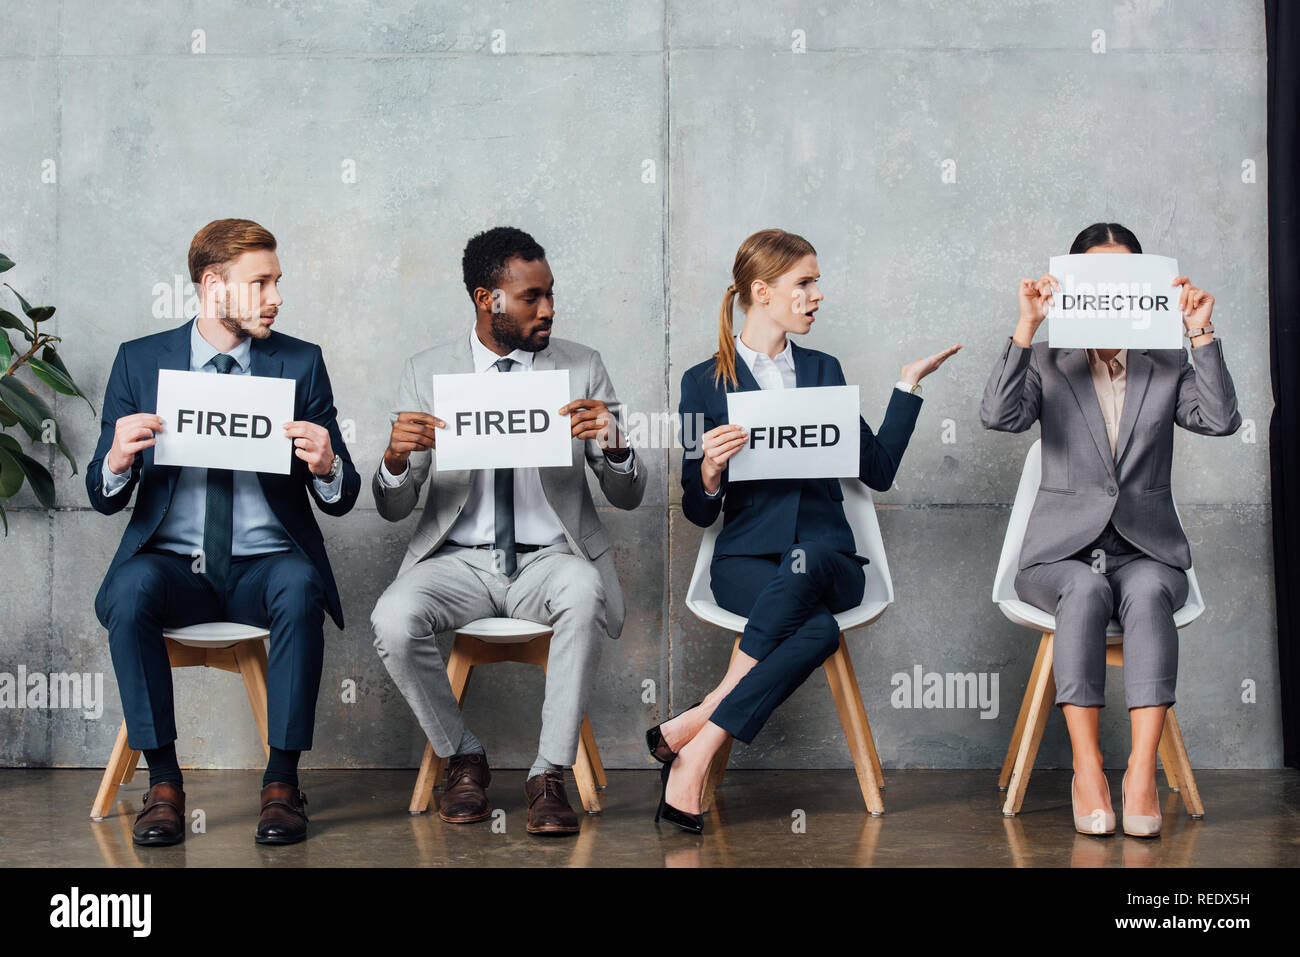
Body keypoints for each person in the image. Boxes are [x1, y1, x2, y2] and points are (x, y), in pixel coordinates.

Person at [650, 227, 959, 832]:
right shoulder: (700, 383)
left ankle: (698, 734)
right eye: (804, 283)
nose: (817, 295)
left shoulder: (823, 369)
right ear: (761, 292)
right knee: (816, 633)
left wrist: (906, 386)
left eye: (817, 282)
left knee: (811, 559)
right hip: (745, 562)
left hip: (830, 563)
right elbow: (697, 512)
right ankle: (692, 747)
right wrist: (710, 468)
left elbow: (879, 471)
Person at [87, 218, 360, 846]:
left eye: (277, 282)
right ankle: (162, 782)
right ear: (214, 286)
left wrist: (326, 464)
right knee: (129, 592)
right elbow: (101, 500)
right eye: (260, 282)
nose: (276, 297)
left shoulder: (300, 362)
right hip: (175, 566)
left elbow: (342, 499)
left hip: (264, 567)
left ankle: (283, 782)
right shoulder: (139, 361)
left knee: (299, 582)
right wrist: (115, 461)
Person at [370, 226, 646, 836]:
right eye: (531, 298)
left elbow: (629, 495)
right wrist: (393, 463)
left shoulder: (582, 366)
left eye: (550, 295)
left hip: (550, 557)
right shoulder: (427, 372)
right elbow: (396, 507)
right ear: (486, 299)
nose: (547, 308)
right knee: (392, 617)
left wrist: (617, 443)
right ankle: (462, 754)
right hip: (458, 561)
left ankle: (549, 774)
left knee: (583, 590)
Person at [980, 222, 1240, 837]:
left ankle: (1141, 774)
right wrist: (1027, 326)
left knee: (1147, 593)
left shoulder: (1167, 361)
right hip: (1058, 556)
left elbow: (1222, 420)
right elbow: (997, 415)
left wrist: (1199, 330)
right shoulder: (1050, 359)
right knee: (1086, 592)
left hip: (1145, 548)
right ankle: (1089, 769)